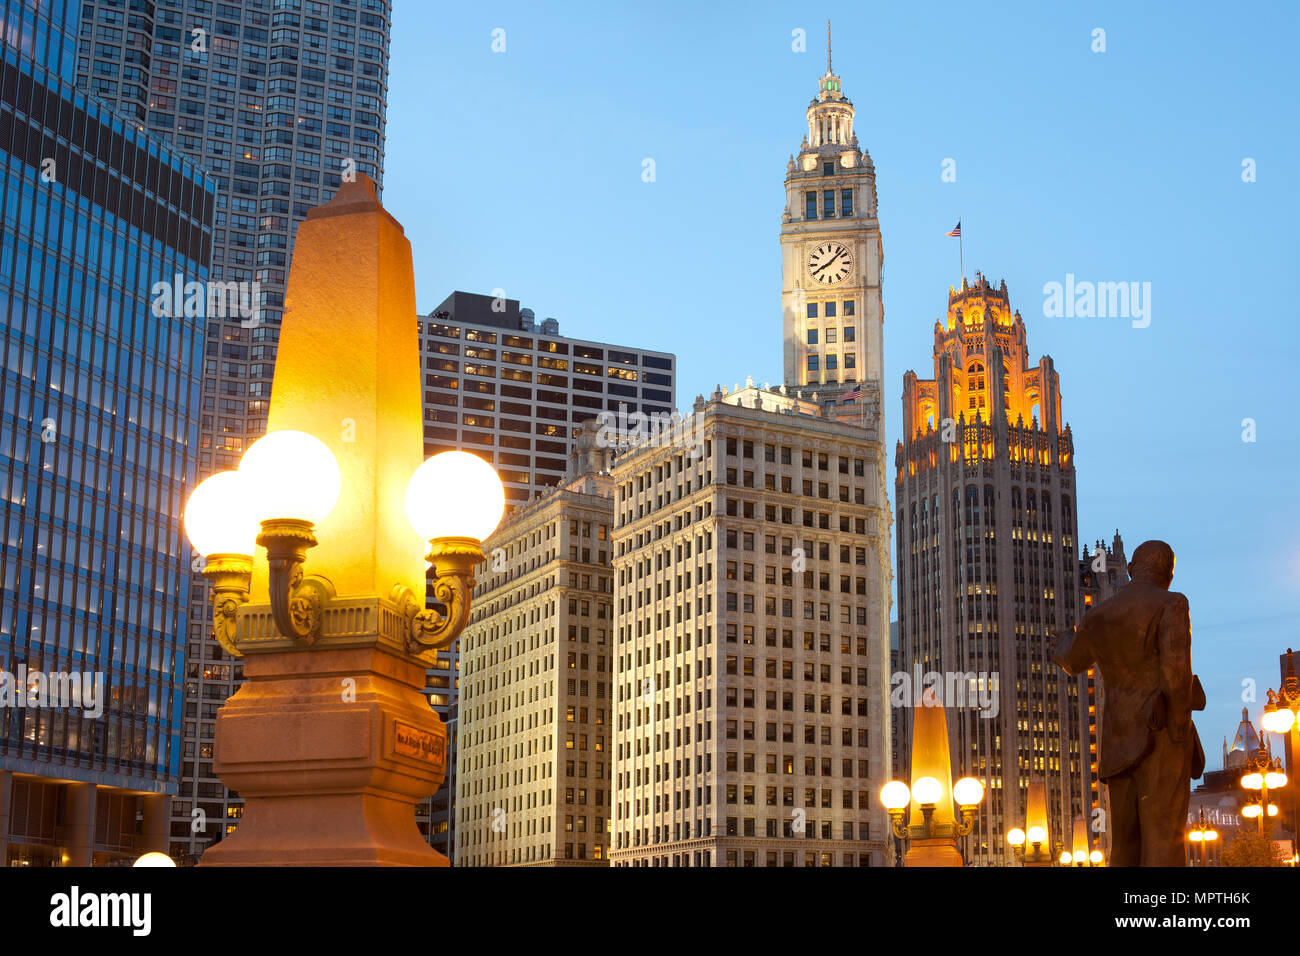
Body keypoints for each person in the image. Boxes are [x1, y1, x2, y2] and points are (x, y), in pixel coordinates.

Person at [1054, 540, 1204, 866]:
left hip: (1116, 745)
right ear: (1168, 574)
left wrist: (1063, 642)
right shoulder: (1172, 604)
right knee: (1163, 837)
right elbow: (1177, 677)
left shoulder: (1098, 615)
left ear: (1133, 570)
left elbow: (1071, 661)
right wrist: (1179, 737)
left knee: (1123, 843)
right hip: (1160, 734)